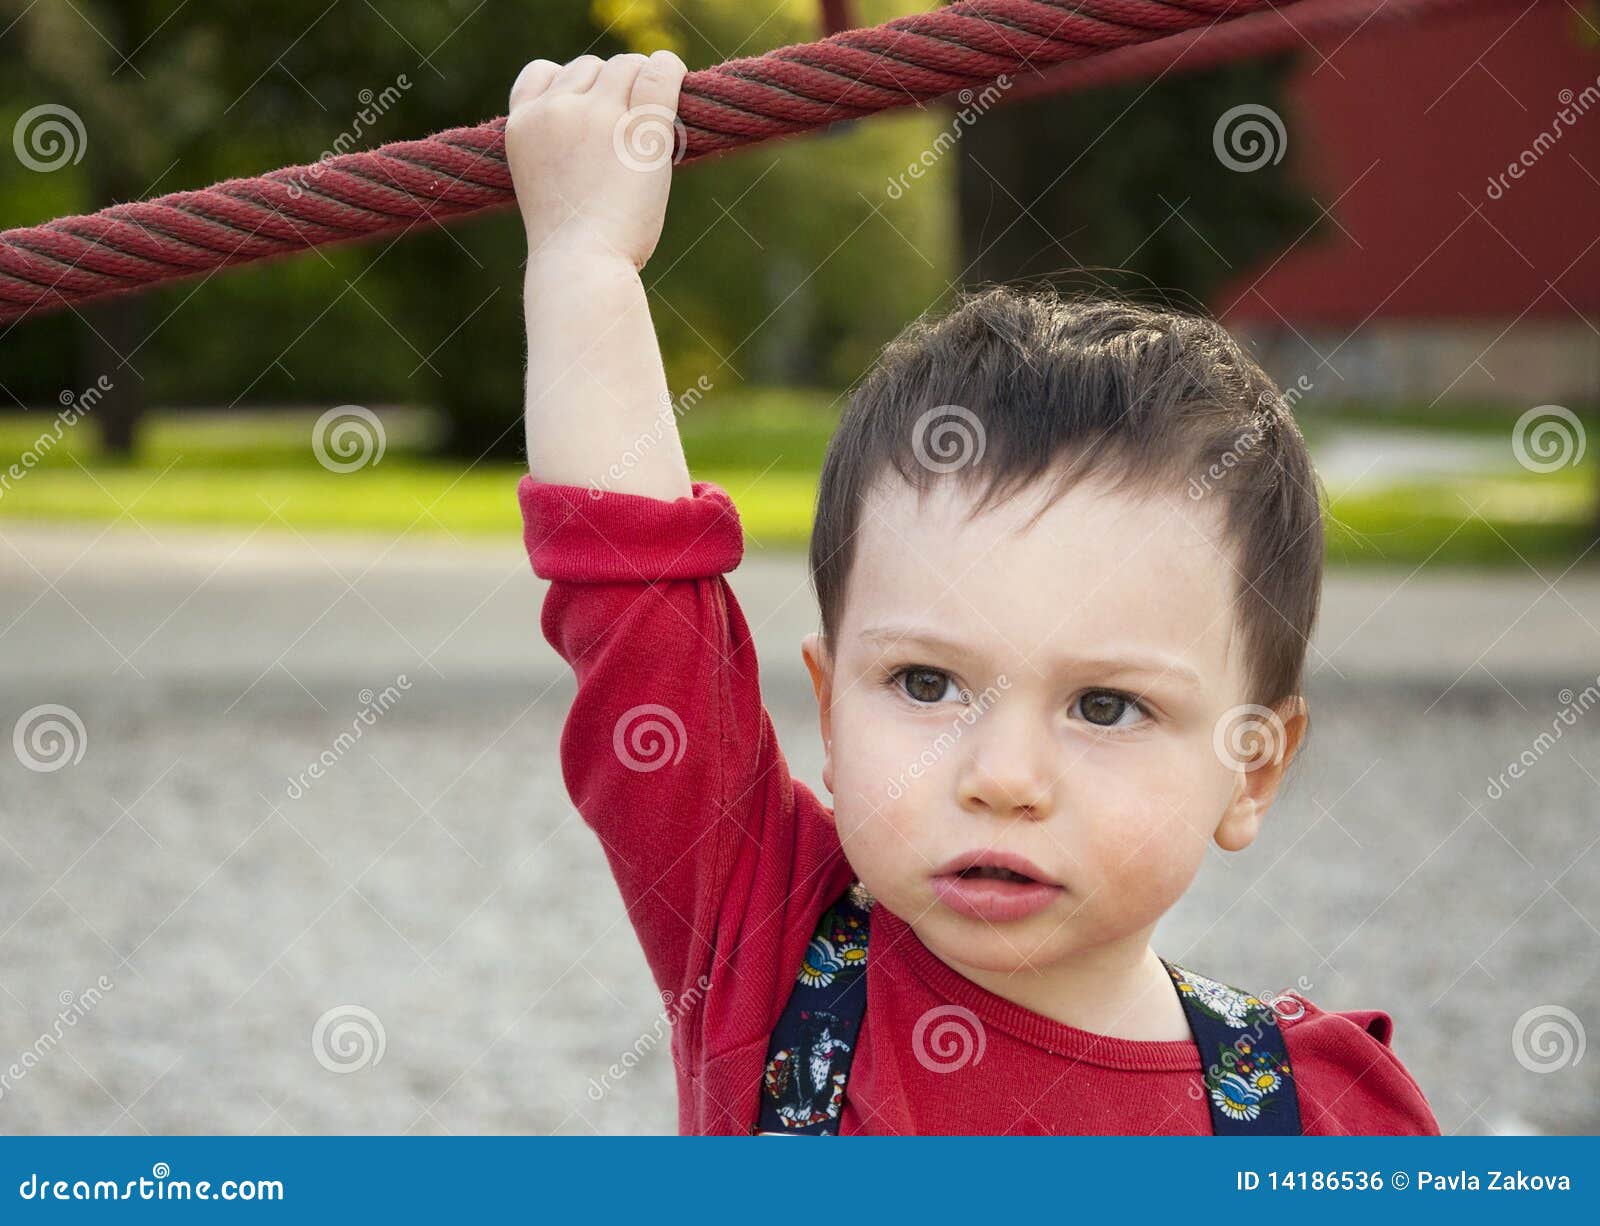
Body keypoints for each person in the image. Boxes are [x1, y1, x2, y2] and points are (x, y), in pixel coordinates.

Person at [505, 49, 1440, 1136]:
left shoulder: (1324, 1118)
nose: (1001, 777)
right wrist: (583, 265)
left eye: (1105, 704)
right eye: (924, 680)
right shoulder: (762, 937)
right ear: (829, 706)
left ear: (1251, 766)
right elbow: (637, 612)